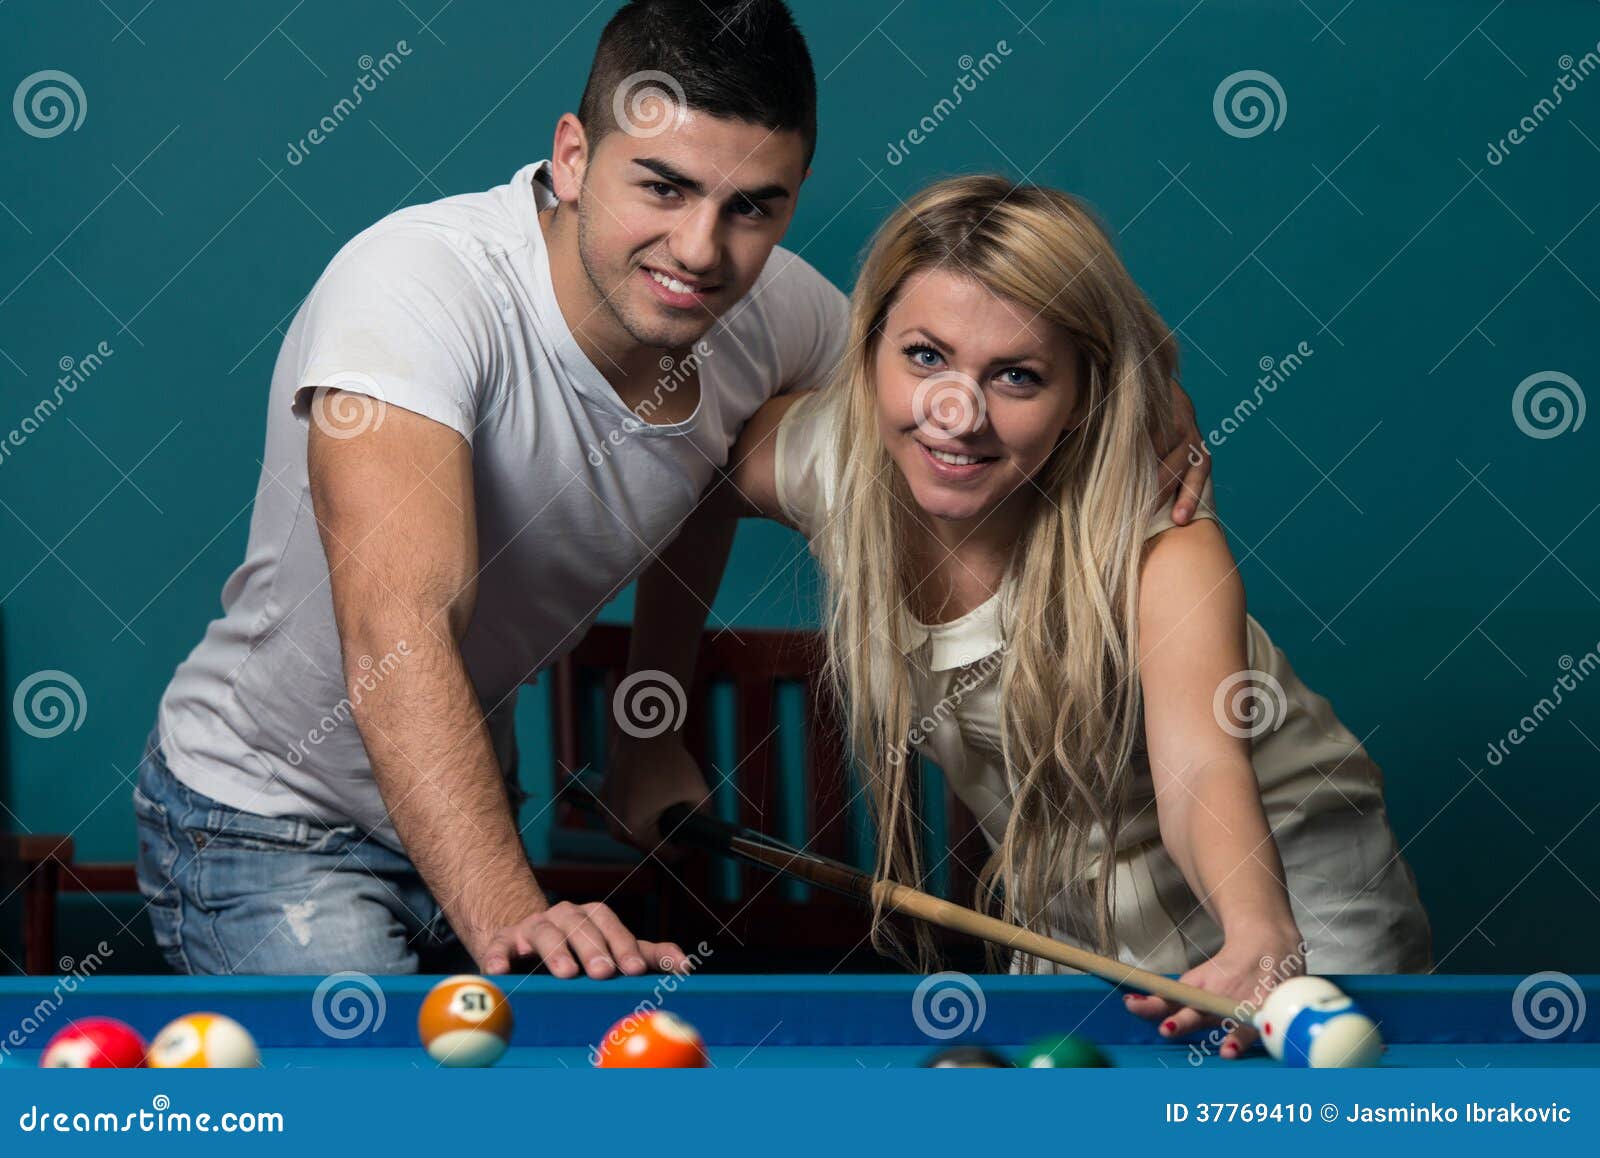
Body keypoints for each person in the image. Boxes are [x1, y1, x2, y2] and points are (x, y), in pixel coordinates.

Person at [131, 0, 1215, 977]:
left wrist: (1150, 404)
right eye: (663, 186)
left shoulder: (772, 314)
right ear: (571, 156)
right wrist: (513, 910)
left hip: (467, 812)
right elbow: (397, 631)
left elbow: (963, 376)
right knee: (398, 1101)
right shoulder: (413, 291)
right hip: (265, 821)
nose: (700, 251)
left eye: (753, 207)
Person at [717, 174, 1431, 1056]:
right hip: (1071, 920)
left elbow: (1198, 773)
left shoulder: (1158, 537)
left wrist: (1260, 931)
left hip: (1294, 906)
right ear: (867, 354)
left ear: (1082, 396)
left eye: (1018, 376)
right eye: (925, 357)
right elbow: (680, 461)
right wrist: (649, 726)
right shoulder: (828, 460)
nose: (956, 416)